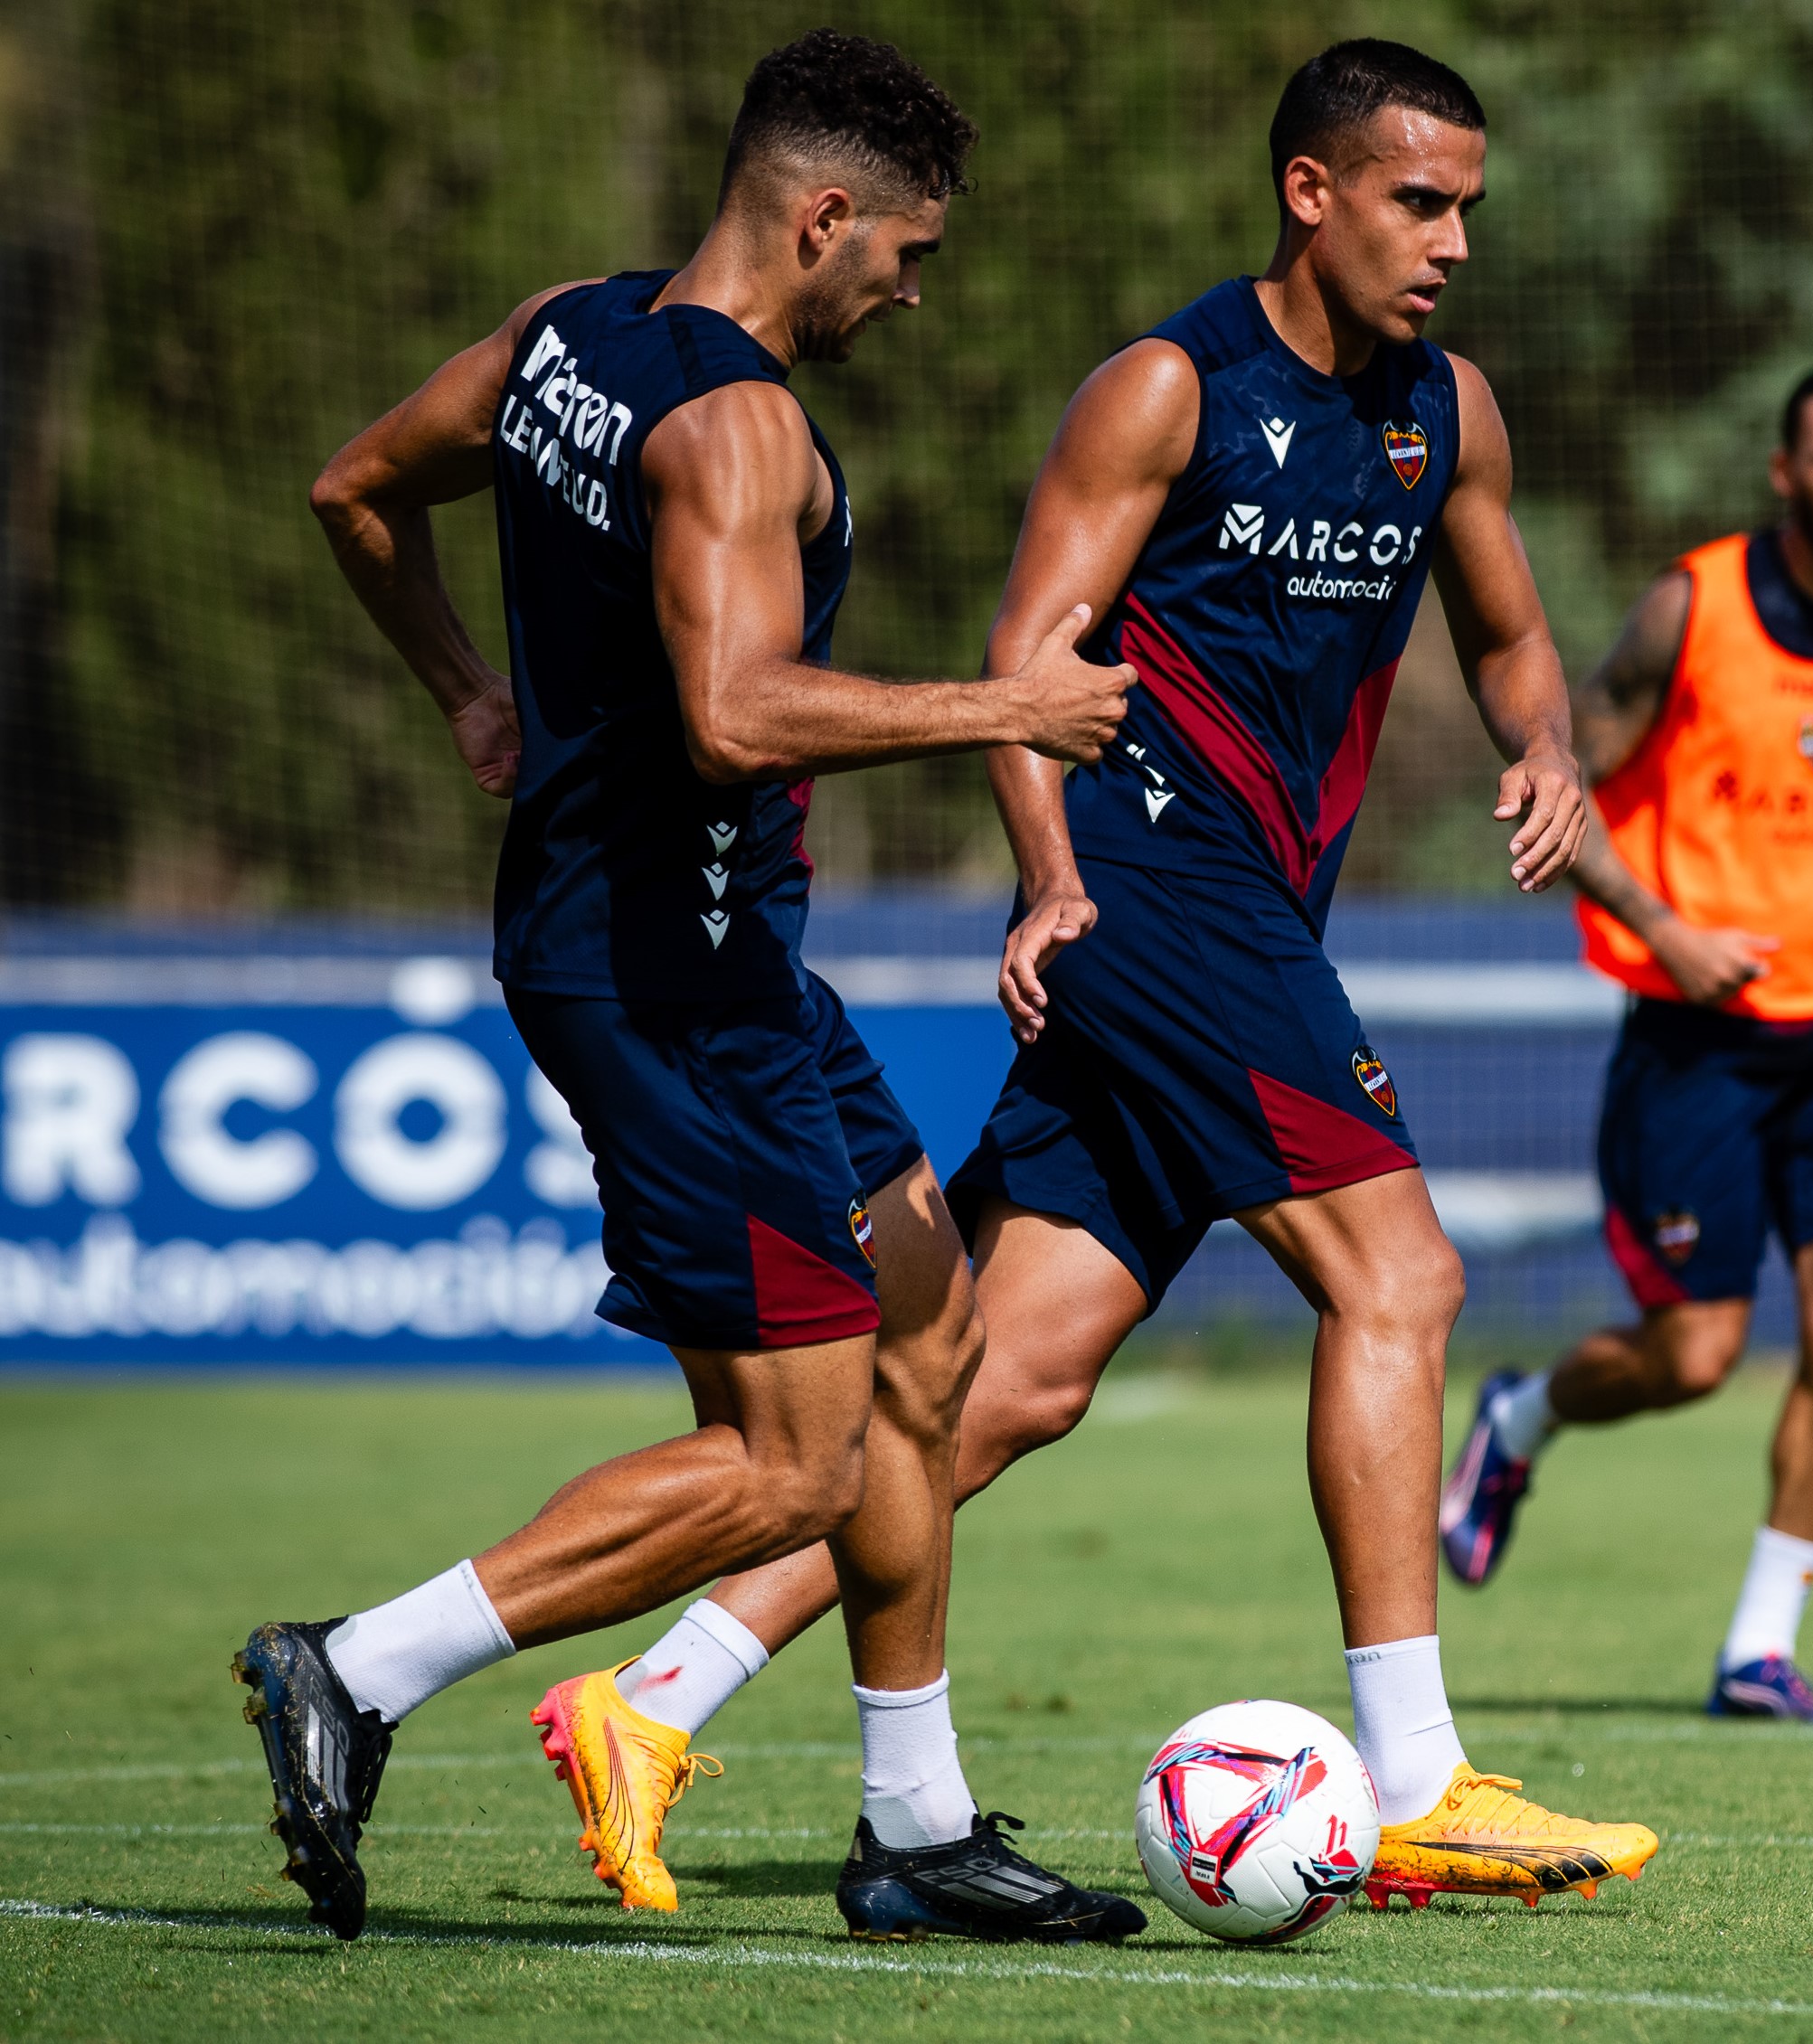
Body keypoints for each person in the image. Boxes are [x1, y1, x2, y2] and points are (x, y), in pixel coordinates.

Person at [540, 38, 1659, 1915]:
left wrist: (1547, 752)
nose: (1456, 238)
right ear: (1311, 192)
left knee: (1002, 1378)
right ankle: (1423, 1782)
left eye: (1470, 203)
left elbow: (1517, 630)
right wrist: (1048, 880)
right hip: (1155, 888)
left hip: (1254, 913)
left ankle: (655, 1699)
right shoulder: (1166, 387)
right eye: (1420, 200)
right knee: (1406, 1275)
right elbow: (1030, 660)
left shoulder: (1446, 411)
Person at [250, 32, 1146, 1944]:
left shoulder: (567, 331)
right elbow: (736, 719)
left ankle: (912, 1826)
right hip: (661, 984)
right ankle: (361, 1666)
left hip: (733, 962)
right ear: (820, 218)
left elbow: (353, 492)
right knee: (797, 1462)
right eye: (902, 254)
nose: (909, 293)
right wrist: (1014, 705)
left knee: (933, 1334)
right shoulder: (741, 427)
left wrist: (470, 694)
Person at [1434, 358, 1813, 1723]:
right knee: (1693, 1355)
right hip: (1697, 1034)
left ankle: (1757, 1645)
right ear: (1783, 475)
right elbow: (1562, 785)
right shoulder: (1694, 608)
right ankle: (1520, 1418)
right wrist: (1661, 927)